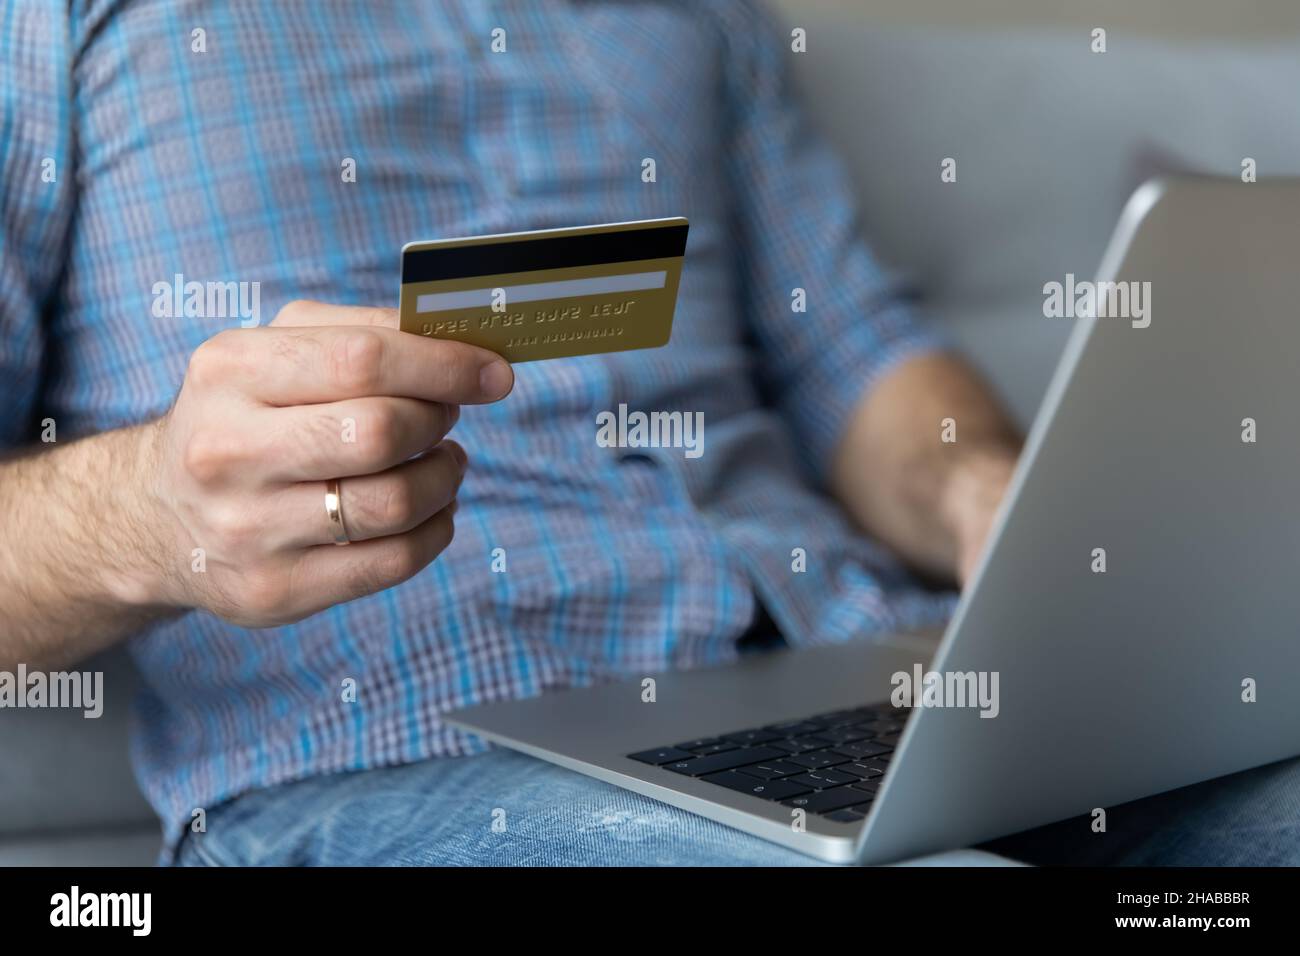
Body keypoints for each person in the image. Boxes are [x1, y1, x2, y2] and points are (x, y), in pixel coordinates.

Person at [1, 0, 1124, 866]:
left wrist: (981, 494)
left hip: (864, 676)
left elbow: (845, 344)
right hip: (393, 766)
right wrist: (150, 508)